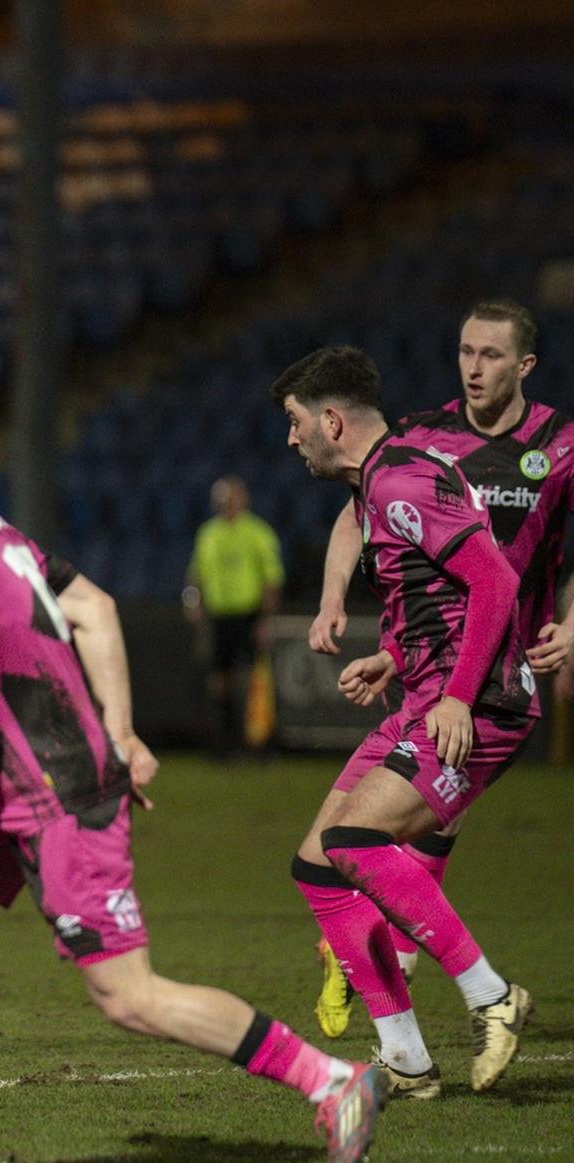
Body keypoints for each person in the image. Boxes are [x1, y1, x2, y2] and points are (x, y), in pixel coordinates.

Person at [0, 401, 382, 1163]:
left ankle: (332, 1080)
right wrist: (120, 731)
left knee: (129, 996)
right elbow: (95, 607)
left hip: (56, 794)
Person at [306, 299, 573, 1040]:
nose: (473, 367)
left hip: (489, 678)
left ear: (524, 366)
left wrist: (572, 625)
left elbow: (494, 579)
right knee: (363, 846)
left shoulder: (560, 443)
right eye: (464, 351)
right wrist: (340, 605)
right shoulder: (421, 440)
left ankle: (434, 994)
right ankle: (390, 982)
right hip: (437, 673)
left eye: (491, 355)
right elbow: (359, 517)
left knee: (388, 839)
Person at [275, 346, 535, 1100]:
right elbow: (443, 594)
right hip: (427, 694)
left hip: (478, 706)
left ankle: (492, 995)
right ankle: (407, 1059)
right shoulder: (376, 487)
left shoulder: (401, 478)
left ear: (331, 420)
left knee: (355, 841)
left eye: (295, 423)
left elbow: (496, 579)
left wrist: (456, 694)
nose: (291, 440)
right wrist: (395, 654)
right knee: (318, 866)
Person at [183, 475, 283, 755]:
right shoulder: (208, 533)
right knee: (220, 680)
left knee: (255, 679)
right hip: (219, 617)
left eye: (232, 497)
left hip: (249, 615)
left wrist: (265, 620)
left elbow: (271, 580)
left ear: (244, 499)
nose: (227, 503)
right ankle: (225, 741)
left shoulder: (258, 532)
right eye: (222, 498)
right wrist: (192, 601)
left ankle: (260, 742)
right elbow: (195, 574)